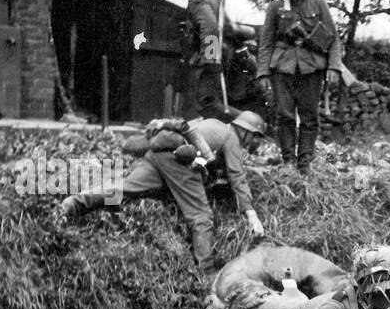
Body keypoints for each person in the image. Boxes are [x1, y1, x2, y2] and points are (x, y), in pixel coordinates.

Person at [60, 111, 267, 272]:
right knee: (201, 216)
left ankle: (72, 205)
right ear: (246, 131)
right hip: (180, 162)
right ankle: (207, 272)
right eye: (255, 137)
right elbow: (237, 177)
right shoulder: (232, 138)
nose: (254, 143)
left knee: (125, 190)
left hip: (159, 153)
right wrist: (252, 216)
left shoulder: (214, 125)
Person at [256, 0, 344, 171]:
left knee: (309, 117)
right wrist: (263, 73)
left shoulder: (317, 2)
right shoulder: (276, 4)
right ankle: (288, 160)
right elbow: (266, 41)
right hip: (283, 66)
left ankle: (304, 162)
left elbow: (332, 38)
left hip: (311, 67)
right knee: (284, 115)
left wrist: (334, 67)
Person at [164, 0, 228, 122]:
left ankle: (245, 126)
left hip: (207, 61)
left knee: (203, 105)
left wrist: (210, 60)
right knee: (208, 104)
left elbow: (211, 27)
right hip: (213, 58)